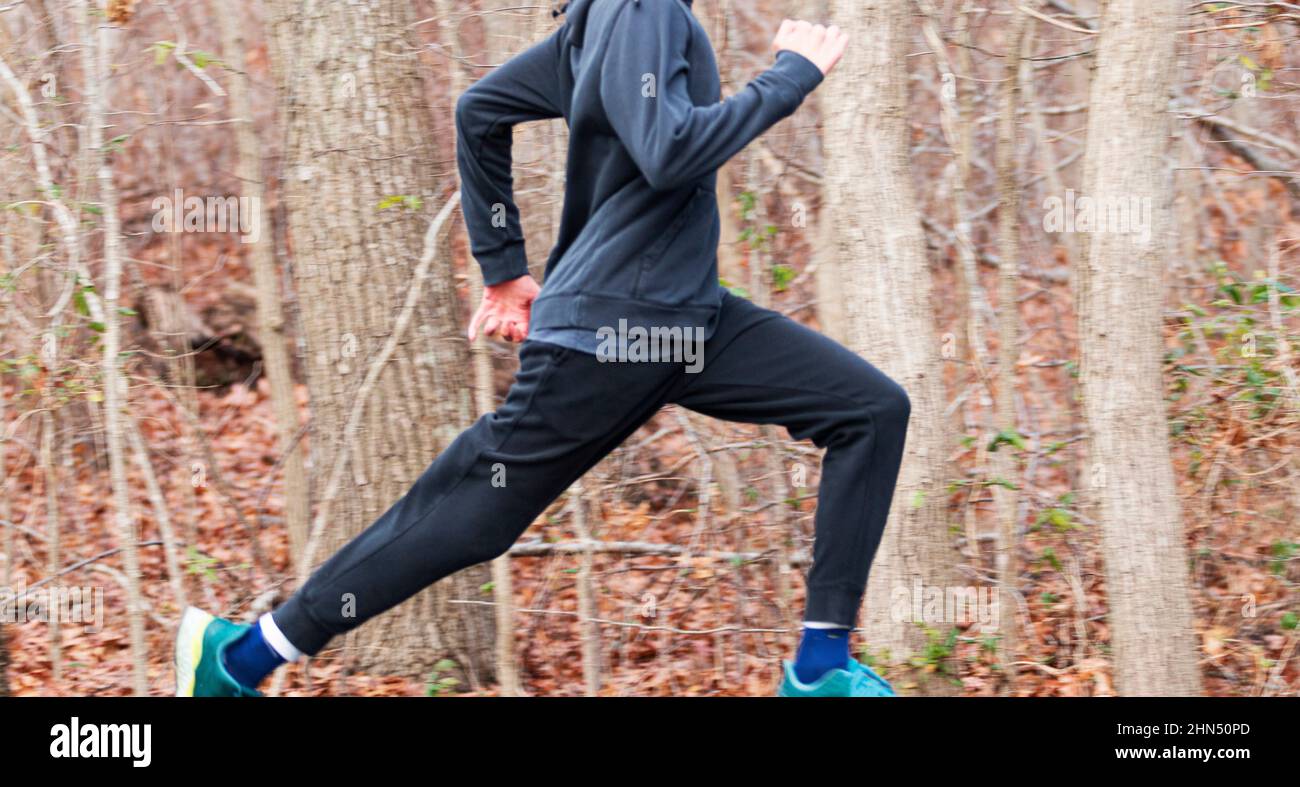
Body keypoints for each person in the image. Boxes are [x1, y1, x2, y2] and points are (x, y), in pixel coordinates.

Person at [175, 0, 908, 698]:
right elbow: (669, 150)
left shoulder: (609, 21)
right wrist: (790, 78)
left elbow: (481, 113)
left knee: (870, 410)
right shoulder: (639, 10)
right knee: (473, 511)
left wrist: (504, 270)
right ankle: (241, 658)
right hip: (615, 331)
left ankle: (819, 664)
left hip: (687, 322)